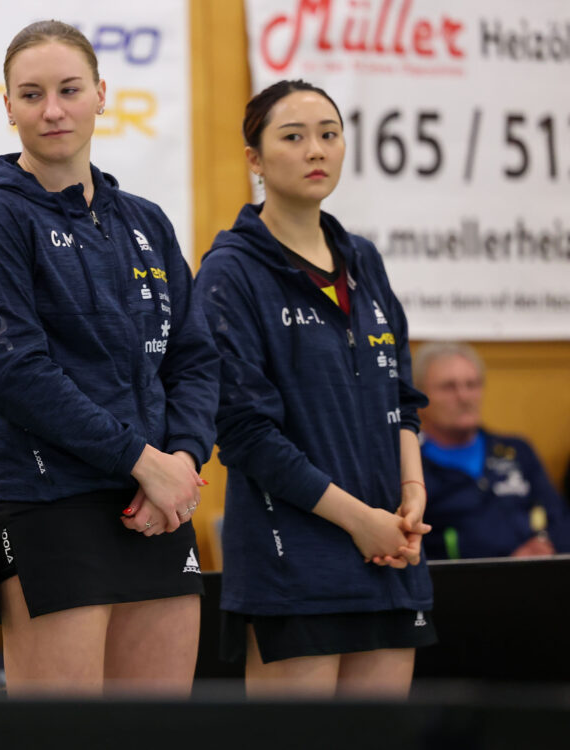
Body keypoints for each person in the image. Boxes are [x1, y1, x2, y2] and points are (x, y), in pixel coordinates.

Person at [0, 20, 220, 696]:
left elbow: (193, 357)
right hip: (51, 503)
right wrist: (144, 462)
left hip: (158, 505)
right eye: (31, 94)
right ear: (6, 107)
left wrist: (181, 462)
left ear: (101, 93)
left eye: (69, 89)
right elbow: (17, 377)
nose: (53, 109)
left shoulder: (147, 221)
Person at [194, 80, 435, 697]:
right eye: (293, 137)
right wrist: (359, 523)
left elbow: (403, 398)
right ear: (255, 159)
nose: (315, 150)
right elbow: (245, 434)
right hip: (294, 559)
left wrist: (411, 497)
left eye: (328, 134)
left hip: (391, 550)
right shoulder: (230, 272)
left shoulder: (364, 260)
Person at [414, 342, 570, 559]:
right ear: (419, 396)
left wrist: (545, 547)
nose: (464, 396)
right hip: (462, 586)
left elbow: (560, 518)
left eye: (472, 385)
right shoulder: (411, 464)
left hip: (541, 577)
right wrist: (507, 562)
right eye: (449, 387)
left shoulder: (516, 451)